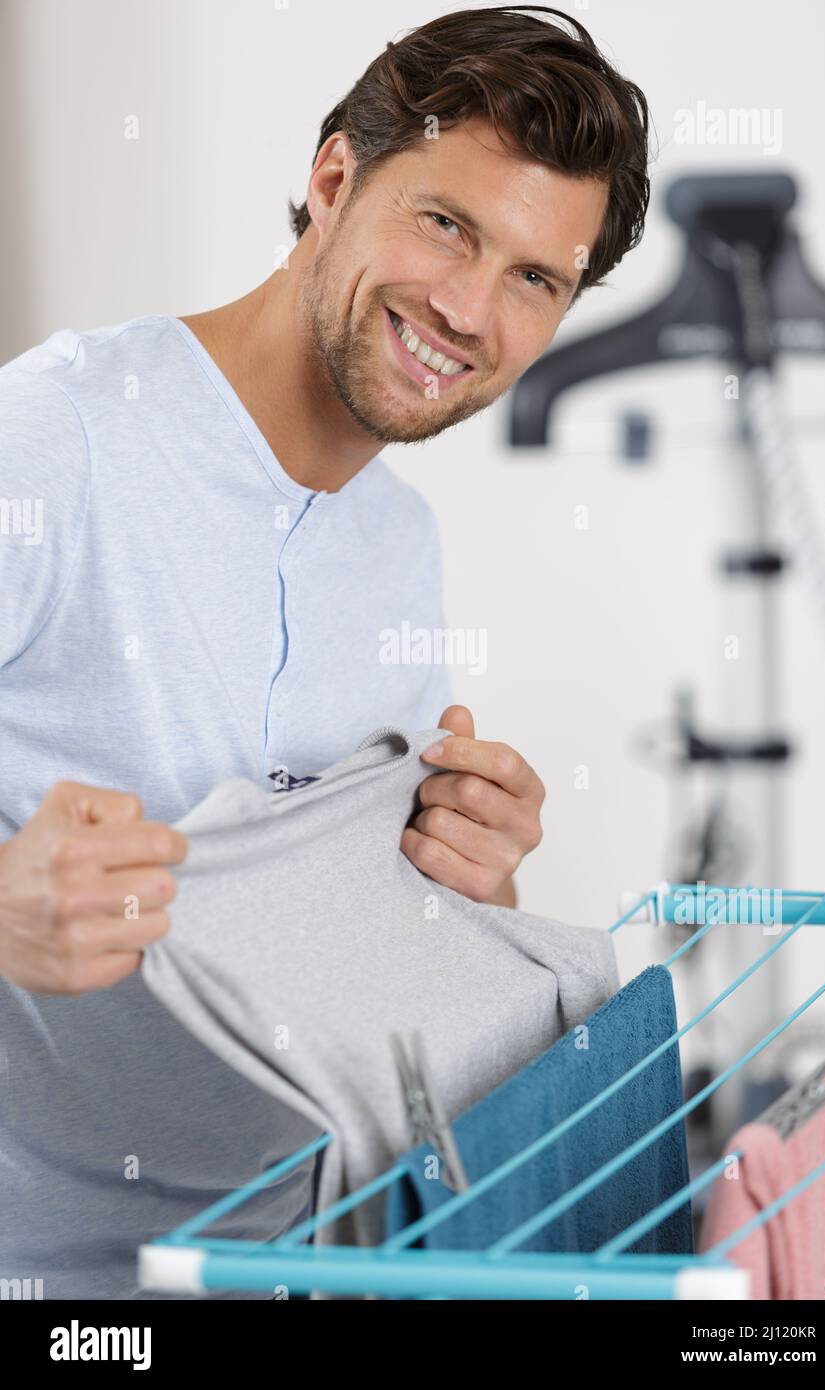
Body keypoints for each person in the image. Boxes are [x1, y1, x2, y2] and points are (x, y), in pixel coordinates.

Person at [0, 5, 650, 1298]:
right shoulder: (54, 439)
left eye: (535, 278)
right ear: (333, 177)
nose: (467, 309)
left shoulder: (398, 542)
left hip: (309, 1256)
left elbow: (323, 939)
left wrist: (461, 886)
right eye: (445, 223)